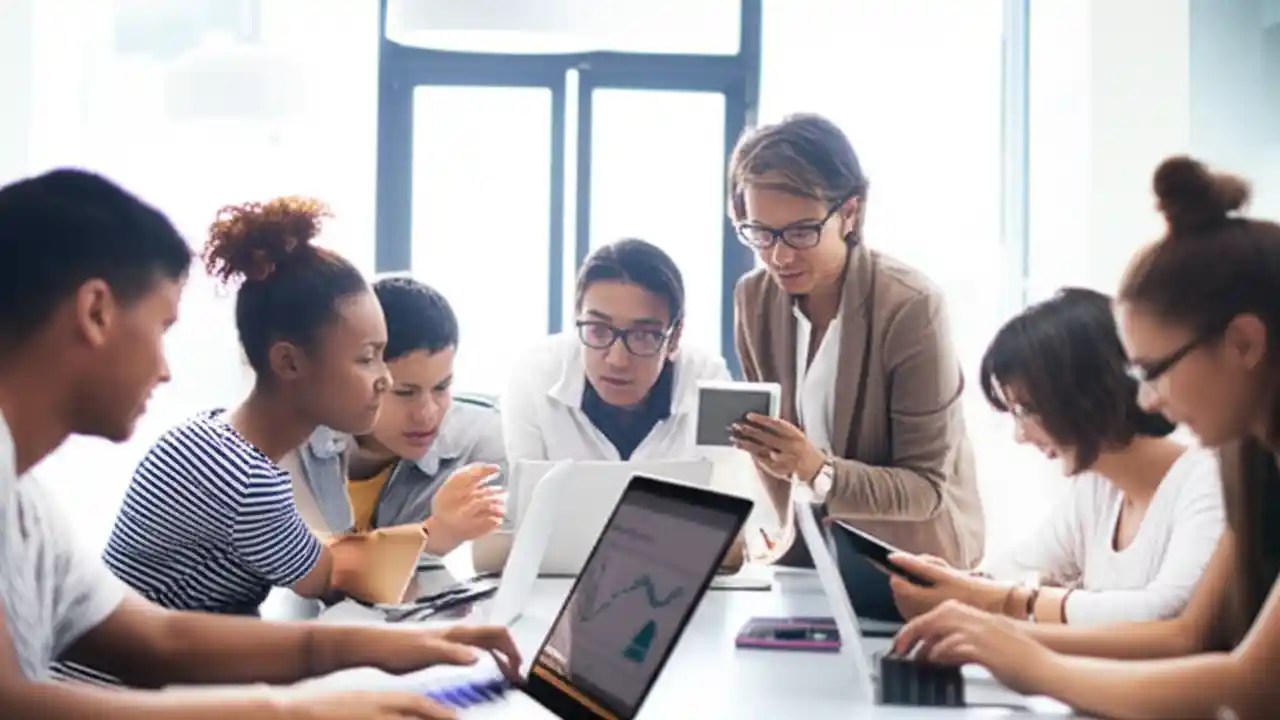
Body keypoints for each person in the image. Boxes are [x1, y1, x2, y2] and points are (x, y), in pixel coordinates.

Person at [0, 168, 516, 719]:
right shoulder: (229, 467)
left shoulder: (24, 498)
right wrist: (297, 711)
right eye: (163, 329)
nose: (165, 370)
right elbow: (15, 703)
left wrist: (396, 648)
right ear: (96, 313)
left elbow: (158, 641)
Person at [893, 156, 1280, 720]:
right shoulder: (1244, 465)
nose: (1147, 400)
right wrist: (995, 631)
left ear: (1244, 343)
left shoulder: (1212, 475)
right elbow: (1194, 637)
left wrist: (1029, 657)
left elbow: (1249, 683)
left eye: (1155, 370)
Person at [98, 196, 471, 619]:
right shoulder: (246, 480)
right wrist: (437, 531)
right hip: (134, 682)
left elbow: (320, 552)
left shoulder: (207, 437)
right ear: (289, 362)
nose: (384, 378)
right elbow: (337, 577)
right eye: (367, 357)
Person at [727, 113, 984, 621]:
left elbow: (926, 489)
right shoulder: (754, 299)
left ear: (850, 213)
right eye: (759, 232)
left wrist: (816, 470)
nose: (778, 256)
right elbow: (773, 451)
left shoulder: (911, 307)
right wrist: (788, 539)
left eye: (800, 232)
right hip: (813, 568)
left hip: (914, 572)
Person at [889, 288, 1223, 626]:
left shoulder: (1207, 479)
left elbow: (1167, 612)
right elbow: (1017, 567)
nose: (1020, 435)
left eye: (1027, 410)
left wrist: (1005, 600)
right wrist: (965, 583)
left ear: (1087, 393)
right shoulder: (1097, 488)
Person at [288, 276, 505, 566]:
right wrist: (438, 533)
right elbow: (321, 571)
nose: (427, 414)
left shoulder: (483, 443)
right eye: (404, 392)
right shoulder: (287, 441)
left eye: (442, 387)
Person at [502, 238, 730, 462]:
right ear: (576, 319)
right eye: (598, 330)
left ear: (675, 338)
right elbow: (528, 493)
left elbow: (730, 488)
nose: (618, 360)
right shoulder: (535, 373)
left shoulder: (709, 382)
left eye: (643, 336)